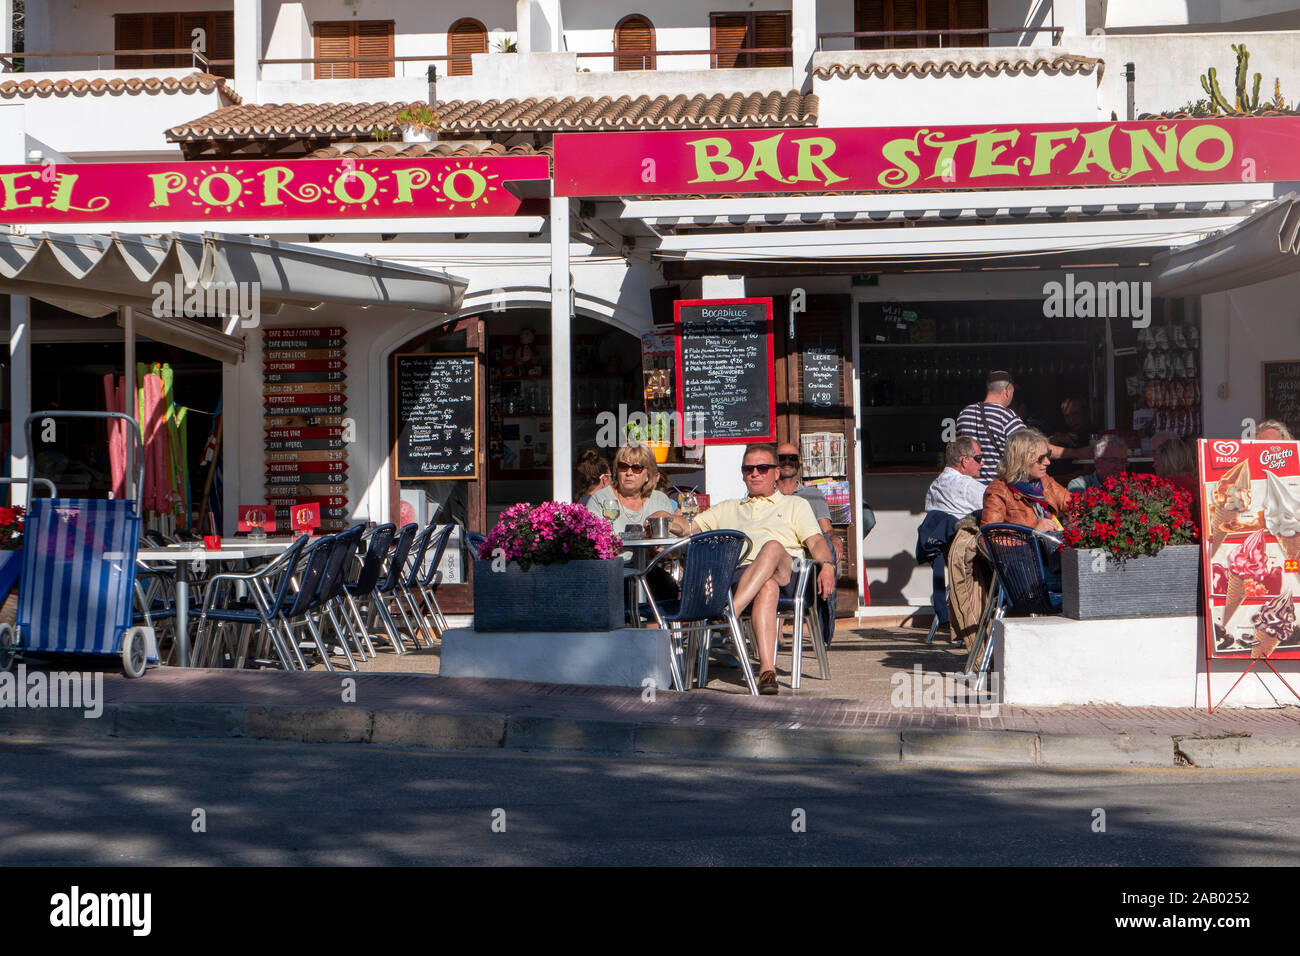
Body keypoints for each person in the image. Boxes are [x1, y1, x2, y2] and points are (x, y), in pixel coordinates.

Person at [665, 444, 835, 696]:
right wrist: (665, 518)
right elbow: (690, 528)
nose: (755, 473)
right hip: (744, 576)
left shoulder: (795, 505)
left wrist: (828, 566)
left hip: (787, 571)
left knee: (773, 546)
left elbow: (817, 541)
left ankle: (728, 613)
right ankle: (768, 670)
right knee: (766, 586)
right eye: (749, 469)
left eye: (762, 468)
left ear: (776, 473)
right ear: (743, 473)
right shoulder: (729, 507)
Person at [957, 371, 1083, 484]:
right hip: (995, 494)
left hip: (967, 492)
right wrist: (1076, 453)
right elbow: (1035, 449)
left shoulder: (964, 414)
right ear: (1007, 391)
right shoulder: (1007, 417)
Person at [982, 429, 1072, 533]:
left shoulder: (1043, 480)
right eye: (1041, 458)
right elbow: (990, 537)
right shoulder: (998, 491)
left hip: (1052, 544)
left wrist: (1075, 528)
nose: (1047, 462)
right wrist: (1034, 533)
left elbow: (1074, 504)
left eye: (1048, 455)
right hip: (1026, 548)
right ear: (1021, 460)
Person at [586, 443, 676, 535]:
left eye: (637, 468)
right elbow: (593, 539)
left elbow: (672, 541)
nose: (629, 473)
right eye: (623, 467)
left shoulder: (660, 500)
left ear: (648, 475)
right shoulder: (601, 499)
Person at [924, 437, 986, 519]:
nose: (982, 463)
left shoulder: (933, 487)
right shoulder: (969, 486)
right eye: (979, 458)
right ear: (965, 460)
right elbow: (999, 506)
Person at [1155, 435, 1201, 529]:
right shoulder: (1195, 483)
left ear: (1168, 461)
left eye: (1157, 460)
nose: (1154, 465)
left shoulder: (1169, 488)